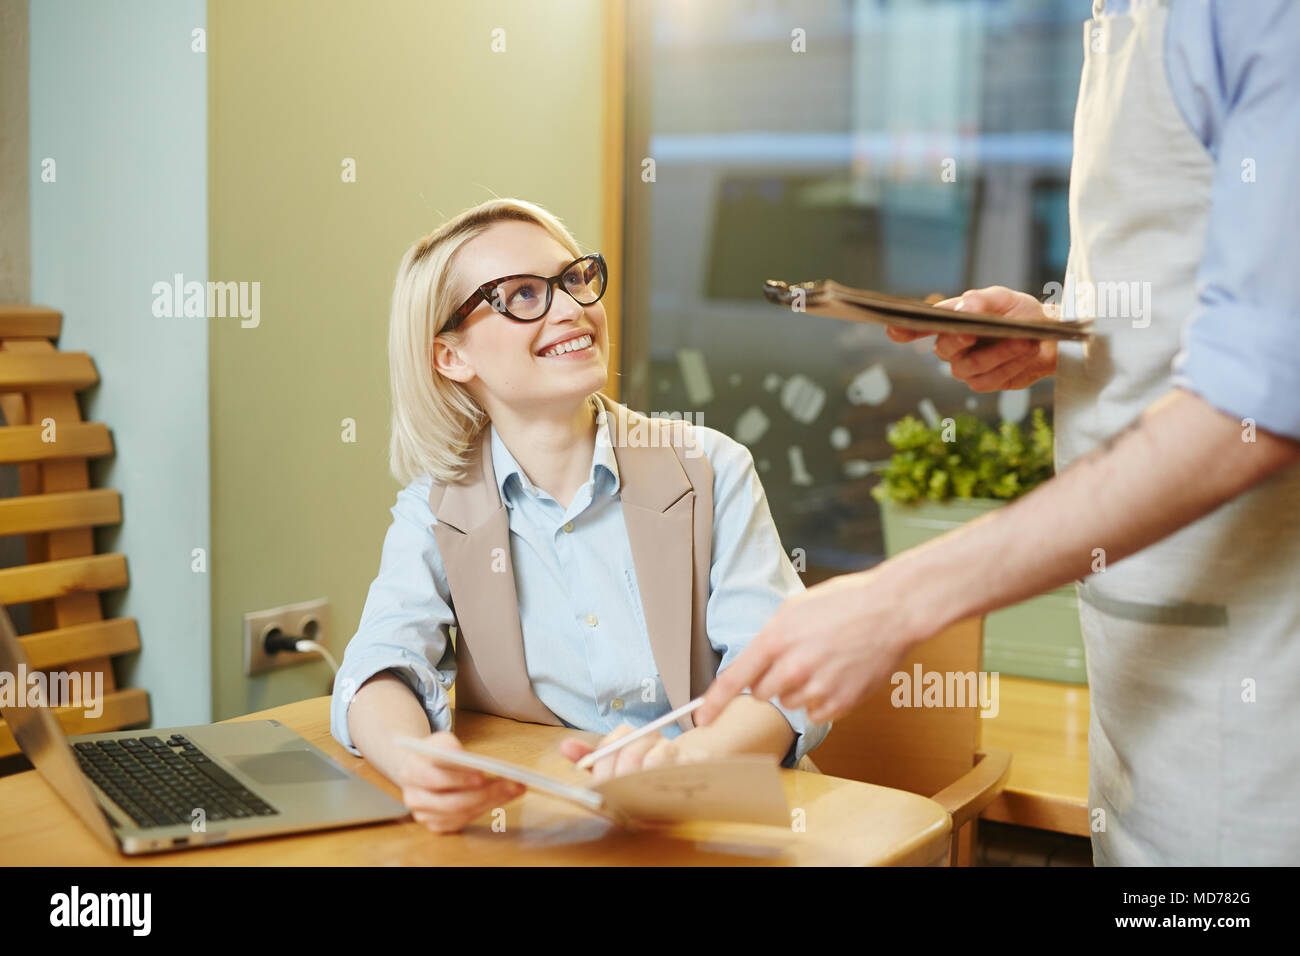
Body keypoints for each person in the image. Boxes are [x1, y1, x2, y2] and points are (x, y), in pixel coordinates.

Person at [699, 0, 1300, 865]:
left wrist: (898, 598)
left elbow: (1261, 396)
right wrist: (1062, 333)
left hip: (1260, 735)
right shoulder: (1118, 20)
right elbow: (1199, 292)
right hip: (1147, 715)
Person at [330, 198, 827, 833]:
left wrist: (683, 761)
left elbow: (781, 680)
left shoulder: (709, 467)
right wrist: (412, 758)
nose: (572, 308)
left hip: (720, 820)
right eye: (521, 295)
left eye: (572, 279)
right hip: (550, 824)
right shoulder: (437, 506)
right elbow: (378, 665)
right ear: (451, 356)